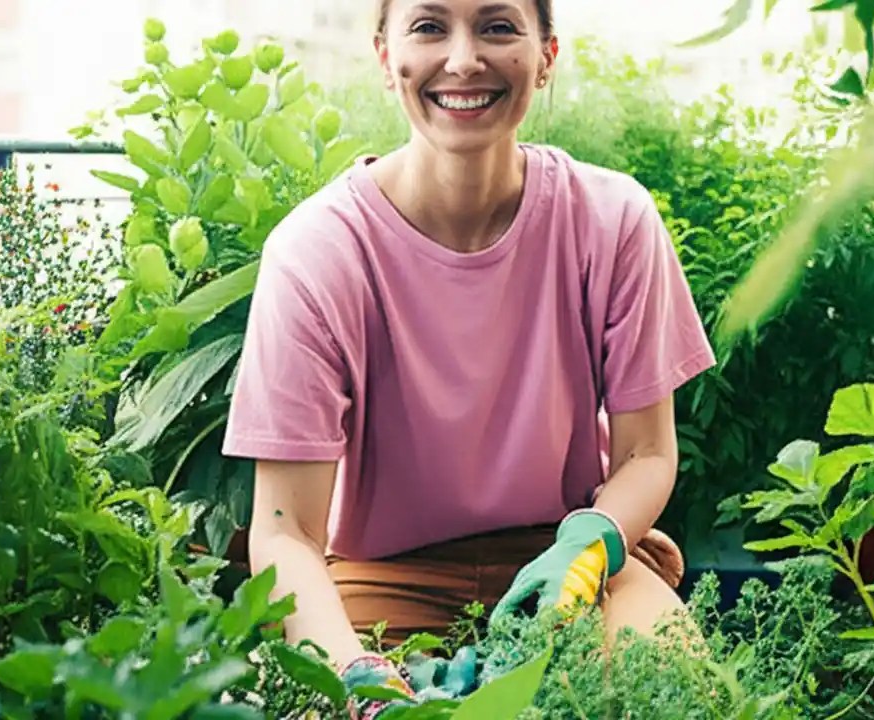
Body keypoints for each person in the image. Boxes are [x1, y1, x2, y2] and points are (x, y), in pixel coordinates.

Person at [221, 0, 716, 712]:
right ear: (386, 56)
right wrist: (356, 677)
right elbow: (286, 531)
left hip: (567, 561)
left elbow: (646, 454)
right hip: (377, 575)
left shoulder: (612, 220)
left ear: (545, 56)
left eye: (497, 26)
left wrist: (595, 544)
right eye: (429, 26)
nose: (462, 59)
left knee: (675, 698)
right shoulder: (319, 251)